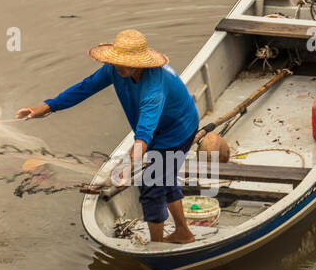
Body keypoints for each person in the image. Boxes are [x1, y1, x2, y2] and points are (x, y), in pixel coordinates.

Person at [16, 29, 200, 244]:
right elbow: (85, 87)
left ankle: (158, 245)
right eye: (117, 62)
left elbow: (145, 130)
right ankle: (183, 232)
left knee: (151, 187)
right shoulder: (115, 70)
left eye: (126, 63)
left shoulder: (154, 87)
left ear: (140, 63)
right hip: (154, 131)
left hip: (177, 131)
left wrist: (131, 166)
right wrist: (47, 107)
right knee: (163, 179)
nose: (120, 67)